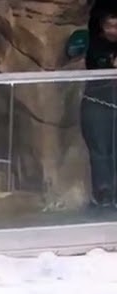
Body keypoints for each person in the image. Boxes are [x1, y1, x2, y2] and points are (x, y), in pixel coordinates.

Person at [81, 6, 117, 209]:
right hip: (97, 103)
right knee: (100, 151)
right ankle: (102, 194)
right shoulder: (94, 44)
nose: (113, 30)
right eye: (109, 26)